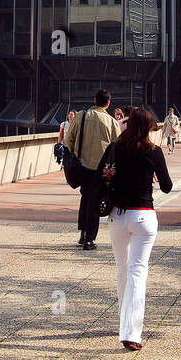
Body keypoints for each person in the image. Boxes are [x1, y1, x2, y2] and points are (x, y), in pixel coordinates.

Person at [98, 107, 173, 351]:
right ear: (147, 128)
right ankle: (131, 333)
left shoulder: (114, 148)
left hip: (118, 216)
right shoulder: (153, 151)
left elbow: (102, 175)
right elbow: (167, 186)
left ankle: (124, 321)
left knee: (122, 269)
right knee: (137, 273)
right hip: (143, 216)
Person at [64, 89, 121, 249]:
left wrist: (76, 154)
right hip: (100, 169)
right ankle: (90, 238)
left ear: (94, 100)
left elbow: (69, 139)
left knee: (85, 197)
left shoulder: (81, 116)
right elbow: (117, 147)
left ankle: (82, 234)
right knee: (95, 200)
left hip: (82, 166)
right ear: (108, 103)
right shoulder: (111, 122)